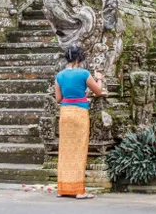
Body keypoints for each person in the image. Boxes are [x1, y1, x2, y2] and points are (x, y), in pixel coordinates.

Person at [55, 45, 106, 199]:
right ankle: (78, 190)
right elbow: (98, 91)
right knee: (79, 150)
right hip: (79, 113)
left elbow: (58, 98)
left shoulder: (60, 75)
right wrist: (99, 79)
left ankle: (63, 188)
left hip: (65, 113)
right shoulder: (84, 73)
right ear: (78, 58)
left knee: (65, 150)